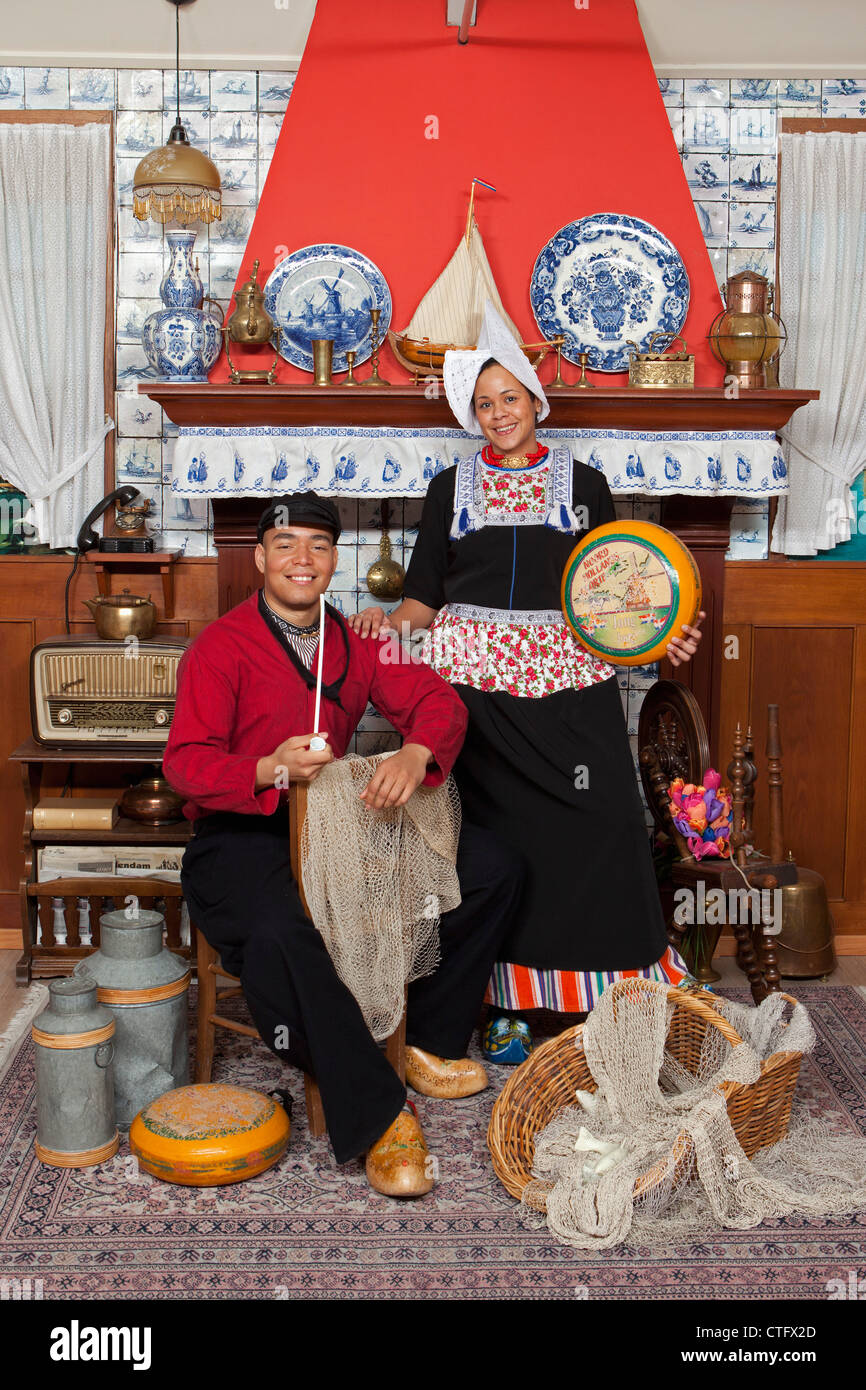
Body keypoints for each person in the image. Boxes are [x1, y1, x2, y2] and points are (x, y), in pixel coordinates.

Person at [350, 305, 704, 1065]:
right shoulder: (451, 488)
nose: (498, 412)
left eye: (510, 397)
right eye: (483, 403)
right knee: (493, 846)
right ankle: (505, 1004)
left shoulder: (586, 486)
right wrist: (386, 624)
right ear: (469, 415)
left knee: (604, 824)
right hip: (475, 688)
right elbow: (424, 598)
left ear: (536, 401)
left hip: (569, 678)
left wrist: (662, 633)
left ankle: (608, 1000)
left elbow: (620, 593)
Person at [163, 491, 523, 1196]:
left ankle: (426, 1041)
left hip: (341, 823)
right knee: (280, 933)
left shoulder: (360, 640)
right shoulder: (220, 646)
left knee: (495, 867)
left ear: (334, 560)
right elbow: (185, 764)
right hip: (243, 831)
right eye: (286, 544)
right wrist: (268, 768)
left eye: (319, 546)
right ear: (261, 558)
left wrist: (417, 752)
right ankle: (381, 1115)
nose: (303, 559)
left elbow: (439, 702)